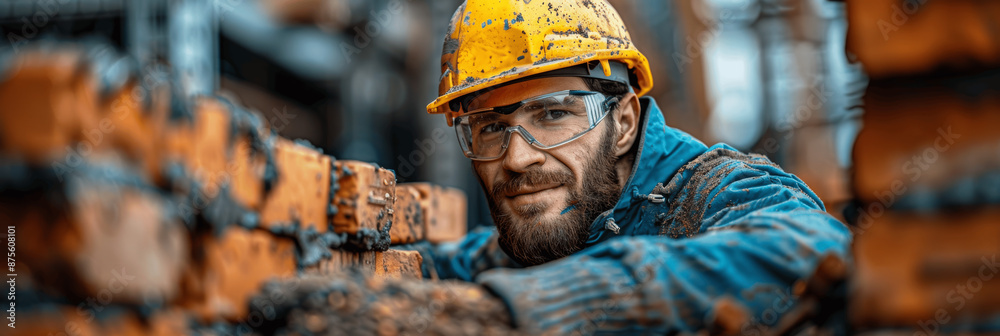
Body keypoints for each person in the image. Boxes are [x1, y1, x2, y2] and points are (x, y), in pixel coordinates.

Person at [413, 0, 852, 333]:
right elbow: (450, 264)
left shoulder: (716, 190)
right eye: (490, 128)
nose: (517, 158)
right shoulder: (542, 236)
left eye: (552, 115)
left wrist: (556, 300)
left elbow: (815, 246)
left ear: (623, 122)